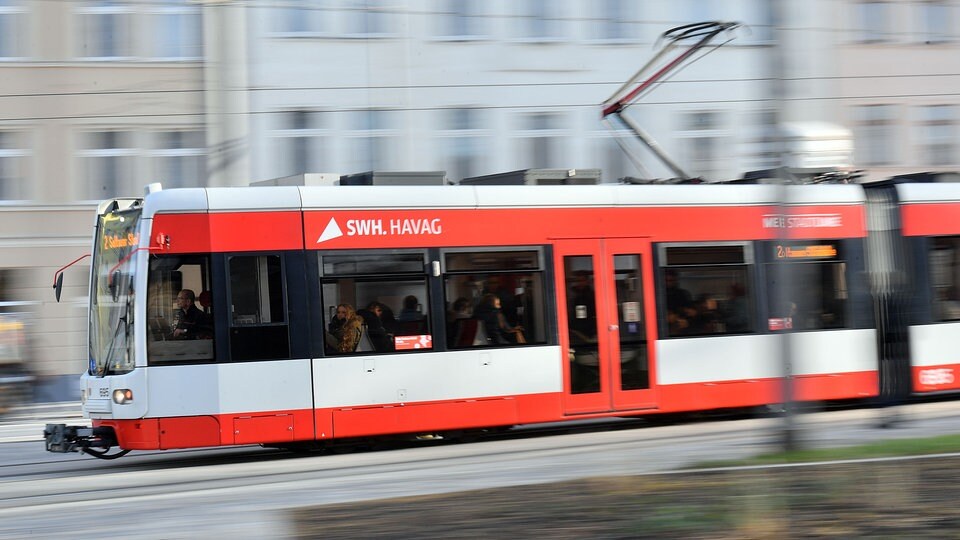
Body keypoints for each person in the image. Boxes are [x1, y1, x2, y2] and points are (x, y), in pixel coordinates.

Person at [664, 269, 696, 335]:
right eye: (666, 281)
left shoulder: (683, 294)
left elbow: (692, 312)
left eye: (671, 280)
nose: (669, 283)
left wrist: (687, 320)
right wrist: (666, 317)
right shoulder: (657, 295)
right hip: (664, 330)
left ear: (676, 280)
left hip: (683, 329)